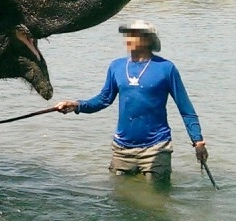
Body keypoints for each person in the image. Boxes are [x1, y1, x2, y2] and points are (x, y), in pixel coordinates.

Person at [52, 20, 208, 183]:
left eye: (134, 35)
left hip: (156, 147)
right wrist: (76, 105)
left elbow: (186, 109)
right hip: (122, 148)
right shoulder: (116, 66)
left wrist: (198, 141)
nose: (128, 38)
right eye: (127, 35)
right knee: (120, 201)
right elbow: (103, 100)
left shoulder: (166, 68)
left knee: (158, 202)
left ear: (148, 40)